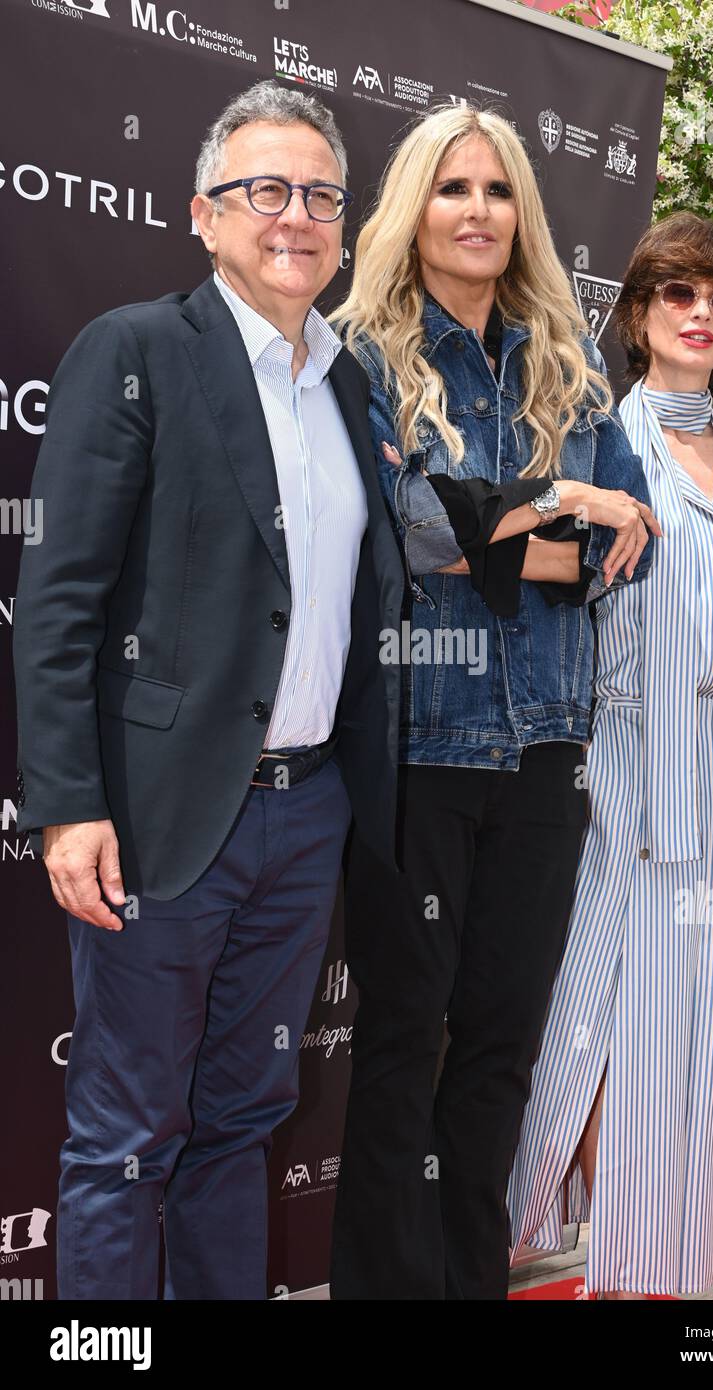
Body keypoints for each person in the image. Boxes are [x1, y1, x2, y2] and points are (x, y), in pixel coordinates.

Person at [12, 80, 404, 1300]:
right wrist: (69, 803)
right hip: (162, 815)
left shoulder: (350, 382)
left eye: (321, 196)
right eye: (265, 189)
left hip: (307, 814)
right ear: (203, 213)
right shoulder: (135, 351)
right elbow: (60, 598)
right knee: (126, 1136)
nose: (296, 216)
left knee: (243, 1121)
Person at [328, 104, 660, 1300]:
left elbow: (629, 547)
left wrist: (522, 527)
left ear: (523, 212)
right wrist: (566, 501)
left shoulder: (564, 363)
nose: (477, 210)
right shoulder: (358, 356)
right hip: (421, 747)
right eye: (452, 187)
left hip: (547, 755)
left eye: (498, 189)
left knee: (501, 1049)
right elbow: (414, 531)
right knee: (401, 1047)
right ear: (412, 208)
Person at [508, 212, 713, 1300]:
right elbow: (537, 590)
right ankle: (629, 1269)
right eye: (679, 293)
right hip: (636, 776)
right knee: (616, 1025)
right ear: (638, 311)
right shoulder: (596, 443)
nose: (701, 314)